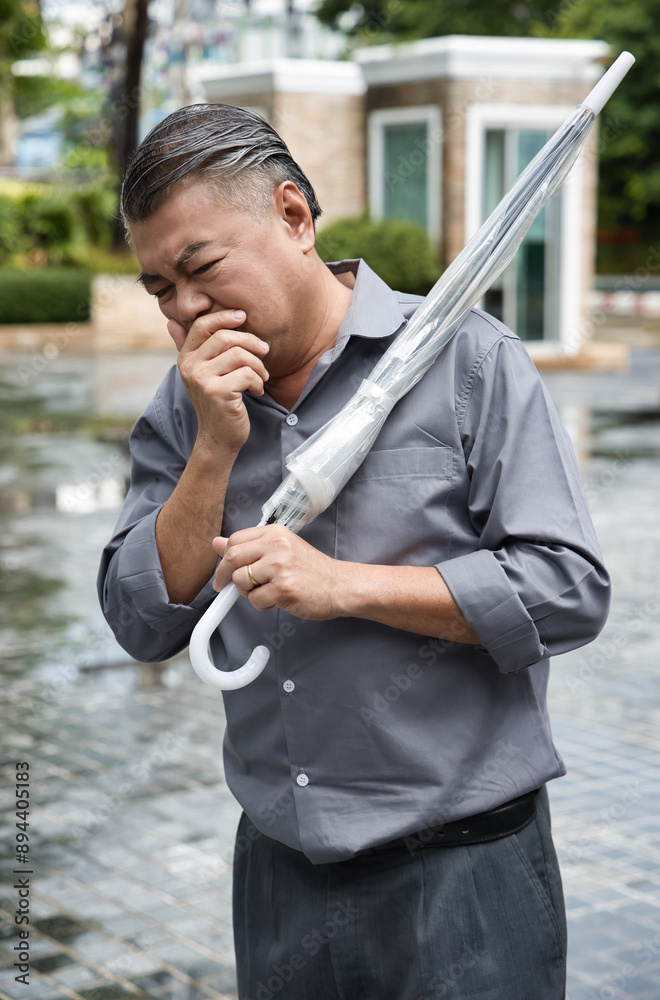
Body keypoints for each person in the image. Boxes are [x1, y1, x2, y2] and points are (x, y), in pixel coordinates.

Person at [98, 103, 610, 1000]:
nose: (184, 312)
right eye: (158, 291)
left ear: (293, 217)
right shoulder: (184, 407)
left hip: (466, 880)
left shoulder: (469, 364)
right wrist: (214, 449)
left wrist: (344, 587)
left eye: (200, 269)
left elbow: (567, 590)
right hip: (279, 880)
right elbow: (140, 619)